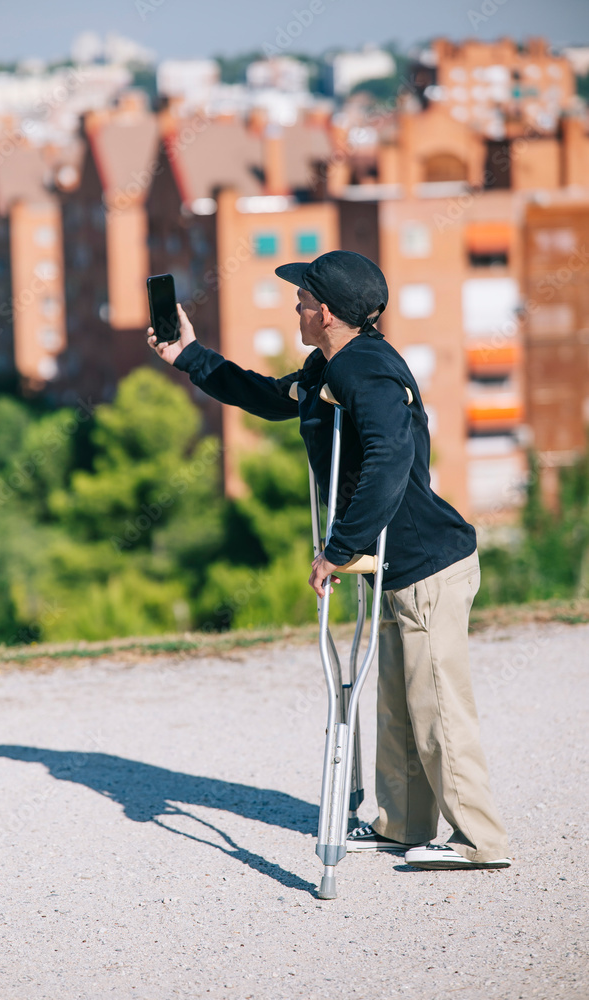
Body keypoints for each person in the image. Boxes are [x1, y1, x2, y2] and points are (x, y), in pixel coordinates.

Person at [148, 250, 510, 871]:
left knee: (437, 705)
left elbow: (389, 459)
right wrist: (190, 356)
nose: (296, 303)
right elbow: (270, 397)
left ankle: (481, 841)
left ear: (330, 313)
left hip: (429, 562)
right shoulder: (329, 365)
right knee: (398, 703)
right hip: (398, 565)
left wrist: (338, 549)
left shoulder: (367, 373)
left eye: (303, 297)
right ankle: (402, 824)